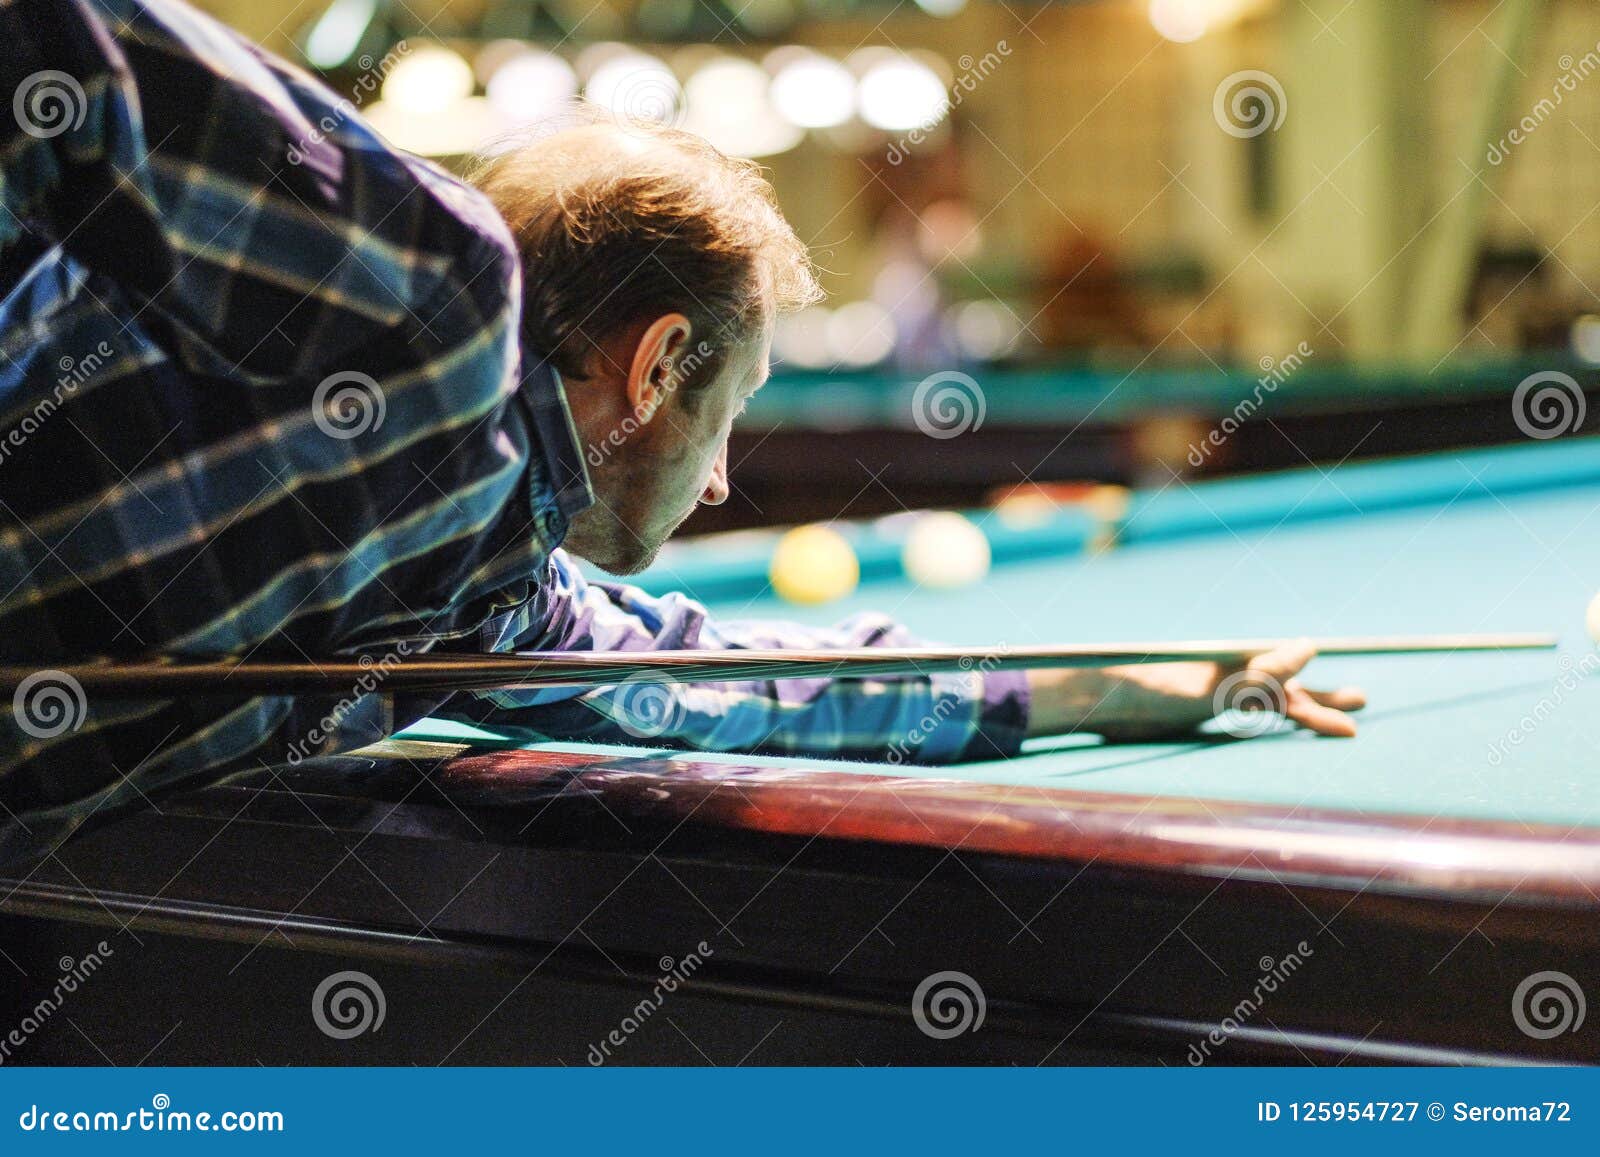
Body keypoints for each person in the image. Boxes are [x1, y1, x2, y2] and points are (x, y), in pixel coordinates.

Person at [0, 0, 1364, 865]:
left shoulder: (495, 599)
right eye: (731, 410)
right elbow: (56, 44)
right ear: (655, 368)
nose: (719, 482)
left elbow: (742, 684)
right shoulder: (442, 294)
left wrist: (1108, 685)